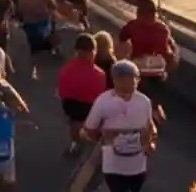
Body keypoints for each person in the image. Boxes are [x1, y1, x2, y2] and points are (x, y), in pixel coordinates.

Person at [82, 60, 157, 192]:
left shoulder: (144, 101)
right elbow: (90, 128)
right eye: (126, 79)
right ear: (115, 80)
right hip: (113, 166)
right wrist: (105, 139)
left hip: (137, 166)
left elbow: (150, 126)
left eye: (135, 79)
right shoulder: (103, 101)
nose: (133, 82)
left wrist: (151, 142)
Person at [58, 33, 107, 155]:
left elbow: (62, 92)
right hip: (90, 107)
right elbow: (100, 94)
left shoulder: (66, 69)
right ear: (93, 52)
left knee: (74, 121)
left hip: (71, 106)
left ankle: (75, 143)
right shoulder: (99, 74)